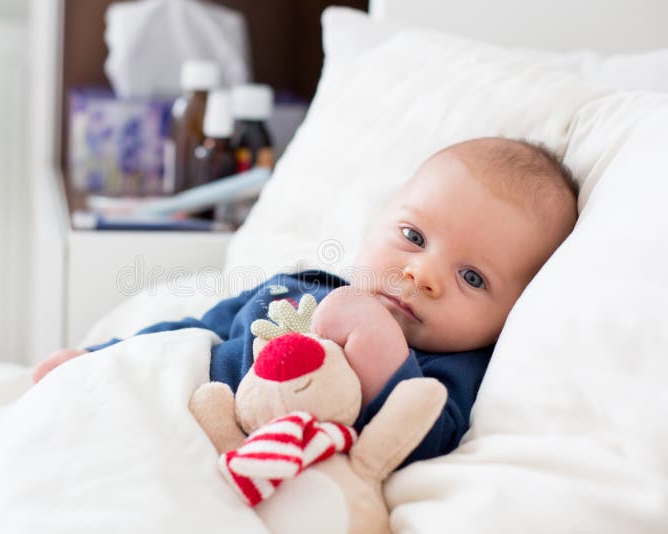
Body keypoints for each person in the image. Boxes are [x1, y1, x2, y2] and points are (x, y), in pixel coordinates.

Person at [32, 137, 579, 466]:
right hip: (173, 416)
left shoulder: (449, 374)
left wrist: (378, 344)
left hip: (237, 470)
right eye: (413, 237)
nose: (422, 274)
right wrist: (103, 357)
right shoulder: (299, 287)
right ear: (377, 224)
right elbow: (192, 332)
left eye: (472, 278)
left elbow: (424, 441)